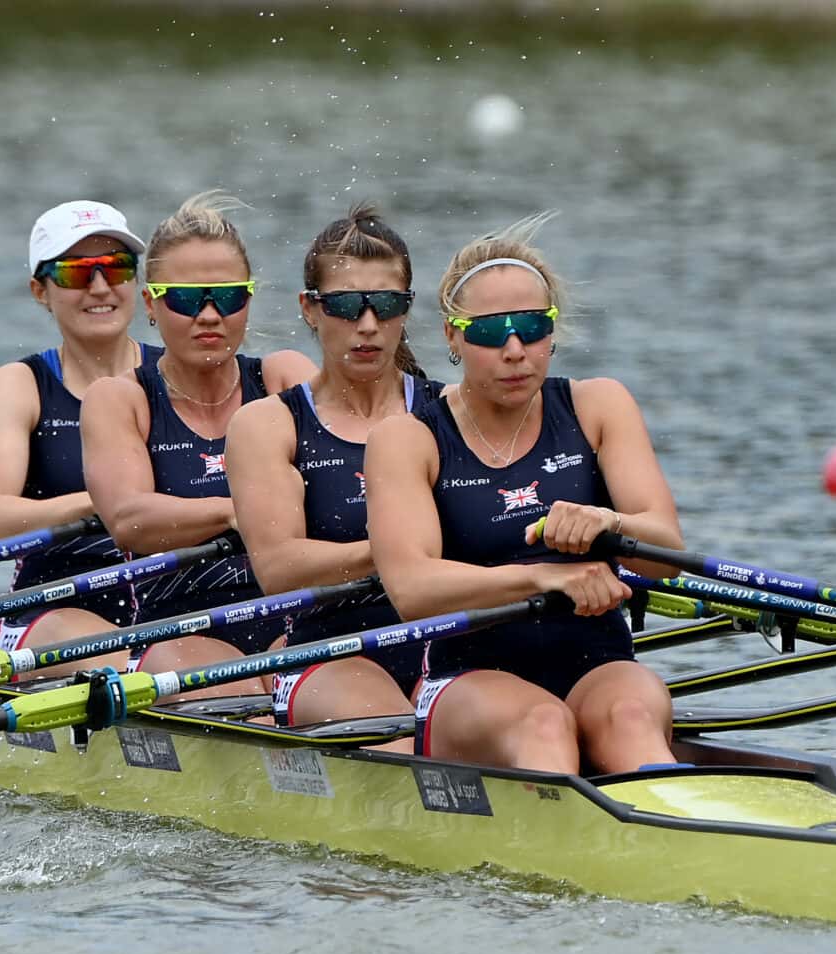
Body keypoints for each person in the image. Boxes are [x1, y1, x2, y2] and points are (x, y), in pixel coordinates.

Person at [364, 216, 685, 773]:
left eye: (532, 327)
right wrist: (543, 575)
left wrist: (608, 523)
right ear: (453, 336)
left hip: (597, 663)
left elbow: (665, 554)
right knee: (543, 724)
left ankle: (684, 834)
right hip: (467, 678)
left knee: (633, 715)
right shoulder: (408, 438)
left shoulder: (598, 405)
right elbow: (413, 589)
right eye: (490, 331)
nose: (515, 349)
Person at [81, 192, 315, 694]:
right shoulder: (121, 400)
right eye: (187, 299)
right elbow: (129, 521)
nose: (209, 315)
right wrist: (238, 512)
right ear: (150, 303)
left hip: (295, 621)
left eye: (227, 296)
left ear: (248, 299)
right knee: (251, 693)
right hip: (178, 632)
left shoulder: (285, 379)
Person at [226, 202, 434, 731]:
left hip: (454, 644)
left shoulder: (450, 412)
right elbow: (277, 567)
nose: (368, 324)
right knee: (406, 741)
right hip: (329, 656)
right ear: (310, 309)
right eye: (345, 305)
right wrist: (403, 554)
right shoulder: (269, 425)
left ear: (405, 310)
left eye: (385, 303)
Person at [0, 200, 154, 666]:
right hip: (51, 616)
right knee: (139, 662)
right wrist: (110, 502)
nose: (101, 286)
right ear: (39, 291)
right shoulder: (19, 386)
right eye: (75, 273)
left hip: (172, 611)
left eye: (117, 267)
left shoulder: (178, 375)